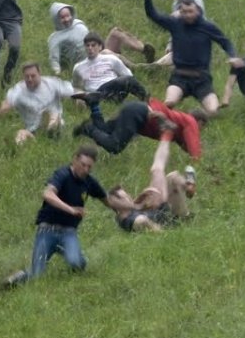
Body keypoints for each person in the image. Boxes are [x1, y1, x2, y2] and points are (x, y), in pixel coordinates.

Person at [1, 145, 132, 287]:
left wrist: (136, 207)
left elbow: (109, 201)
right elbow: (47, 194)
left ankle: (77, 257)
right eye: (83, 165)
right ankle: (14, 279)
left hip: (68, 233)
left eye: (89, 167)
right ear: (75, 160)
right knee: (37, 274)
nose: (86, 170)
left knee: (77, 263)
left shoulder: (89, 181)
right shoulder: (62, 174)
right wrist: (70, 209)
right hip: (46, 232)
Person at [141, 0, 241, 117]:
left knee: (213, 111)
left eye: (190, 11)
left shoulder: (207, 27)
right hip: (180, 76)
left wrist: (232, 55)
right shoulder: (175, 24)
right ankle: (176, 119)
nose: (187, 15)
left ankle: (194, 118)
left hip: (202, 78)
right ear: (180, 12)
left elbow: (226, 42)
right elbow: (153, 15)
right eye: (184, 12)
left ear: (198, 10)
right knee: (169, 103)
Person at [107, 136, 196, 232]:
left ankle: (189, 186)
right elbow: (141, 221)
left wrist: (142, 197)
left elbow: (135, 206)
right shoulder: (129, 220)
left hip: (161, 207)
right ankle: (185, 216)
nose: (129, 197)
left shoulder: (129, 210)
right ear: (119, 205)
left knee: (170, 175)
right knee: (164, 173)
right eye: (125, 197)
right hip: (171, 217)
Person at [73, 95, 206, 157]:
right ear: (199, 122)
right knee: (115, 146)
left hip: (137, 110)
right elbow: (195, 154)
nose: (198, 132)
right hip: (140, 114)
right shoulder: (191, 122)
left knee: (105, 131)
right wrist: (198, 160)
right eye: (201, 128)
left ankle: (94, 105)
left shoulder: (179, 124)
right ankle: (88, 128)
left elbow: (185, 146)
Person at [0, 62, 76, 144]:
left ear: (39, 74)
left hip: (55, 124)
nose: (30, 79)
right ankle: (21, 150)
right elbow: (6, 104)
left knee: (52, 115)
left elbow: (73, 92)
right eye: (27, 77)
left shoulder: (51, 83)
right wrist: (2, 110)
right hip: (33, 130)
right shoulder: (18, 90)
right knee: (20, 134)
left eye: (33, 76)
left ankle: (52, 135)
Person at [71, 32, 149, 104]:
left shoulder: (111, 59)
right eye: (87, 45)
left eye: (93, 45)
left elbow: (128, 75)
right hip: (97, 93)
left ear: (100, 47)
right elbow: (76, 87)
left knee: (125, 80)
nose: (90, 48)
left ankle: (146, 99)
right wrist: (79, 99)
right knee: (121, 82)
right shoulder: (79, 67)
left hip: (116, 89)